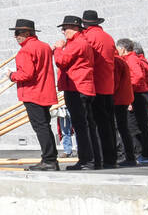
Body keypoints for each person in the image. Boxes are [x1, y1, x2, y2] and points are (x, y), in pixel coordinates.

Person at [8, 19, 58, 171]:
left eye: (17, 33)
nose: (15, 36)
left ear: (26, 33)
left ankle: (49, 159)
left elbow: (26, 74)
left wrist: (11, 76)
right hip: (45, 92)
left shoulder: (25, 50)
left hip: (32, 93)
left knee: (40, 127)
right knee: (45, 126)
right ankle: (50, 159)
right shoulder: (44, 47)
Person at [52, 15, 99, 170]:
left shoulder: (77, 43)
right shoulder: (82, 42)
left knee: (80, 126)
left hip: (77, 89)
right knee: (87, 126)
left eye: (65, 29)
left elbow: (61, 61)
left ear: (75, 28)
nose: (63, 32)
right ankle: (93, 160)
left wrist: (58, 48)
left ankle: (87, 161)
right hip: (83, 88)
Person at [81, 10, 118, 170]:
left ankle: (99, 158)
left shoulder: (88, 37)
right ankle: (111, 158)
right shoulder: (108, 37)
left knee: (95, 124)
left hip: (96, 84)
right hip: (108, 84)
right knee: (108, 124)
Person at [119, 39, 148, 165]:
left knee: (135, 127)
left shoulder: (131, 60)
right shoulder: (134, 59)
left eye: (118, 48)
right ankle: (145, 154)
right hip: (139, 95)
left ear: (123, 49)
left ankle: (142, 155)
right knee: (141, 126)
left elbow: (138, 76)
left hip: (137, 96)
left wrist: (130, 94)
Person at [111, 47, 138, 167]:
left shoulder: (116, 62)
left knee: (121, 128)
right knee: (123, 128)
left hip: (118, 99)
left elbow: (115, 83)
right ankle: (129, 155)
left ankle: (127, 155)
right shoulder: (121, 60)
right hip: (123, 98)